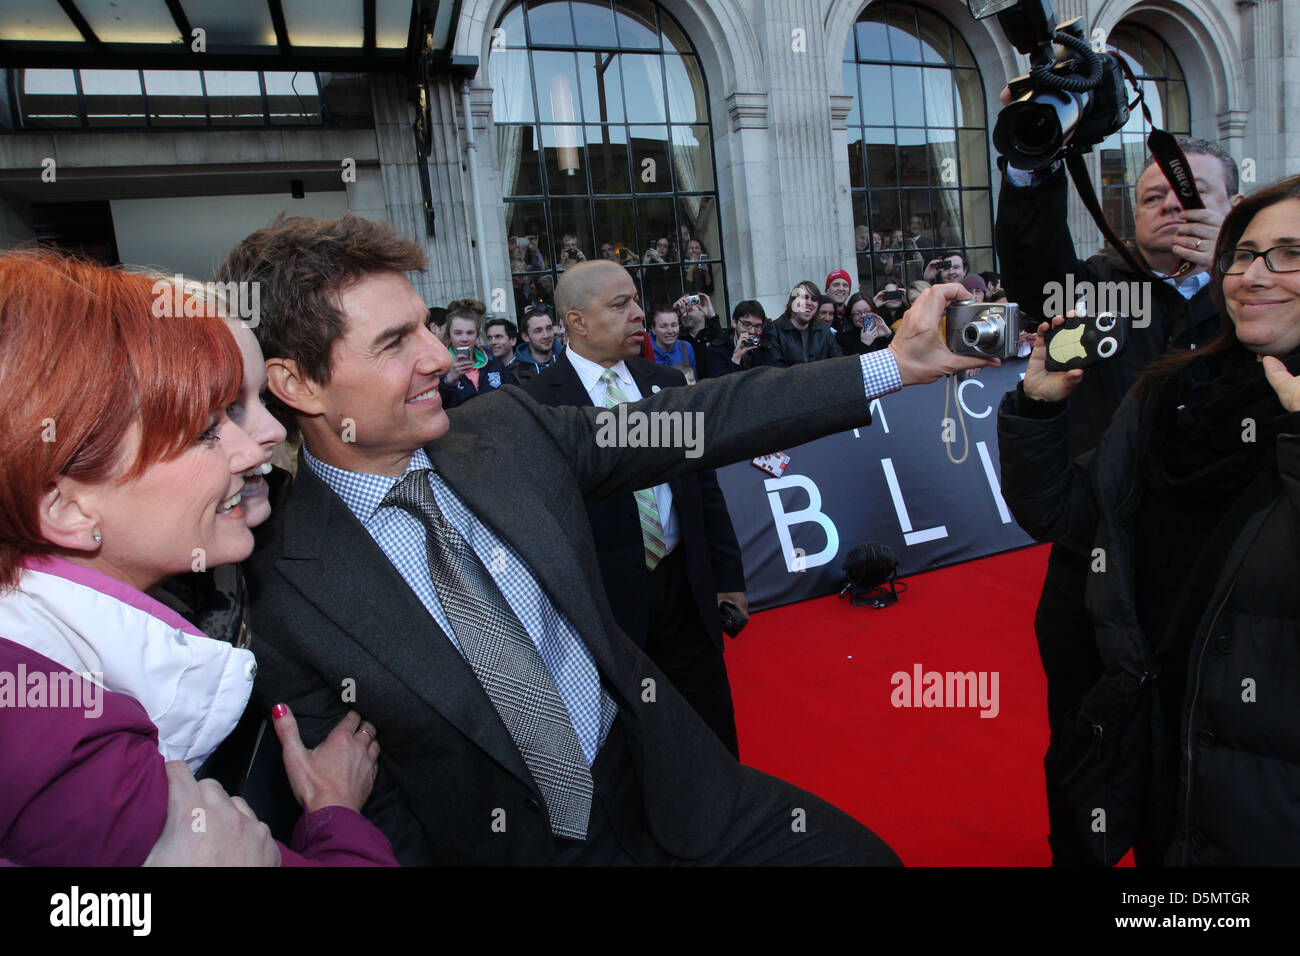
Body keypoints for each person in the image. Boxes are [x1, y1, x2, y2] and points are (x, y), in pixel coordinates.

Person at [218, 212, 993, 866]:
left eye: (426, 325)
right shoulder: (283, 588)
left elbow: (703, 420)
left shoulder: (506, 430)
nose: (439, 356)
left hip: (671, 781)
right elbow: (377, 815)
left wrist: (891, 365)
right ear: (297, 385)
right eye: (395, 343)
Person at [0, 250, 395, 867]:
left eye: (256, 400)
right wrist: (336, 814)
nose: (268, 433)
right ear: (70, 510)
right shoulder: (55, 733)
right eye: (211, 424)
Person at [997, 174, 1300, 865]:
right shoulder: (1169, 385)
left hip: (1260, 740)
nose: (1256, 273)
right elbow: (1066, 508)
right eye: (1247, 253)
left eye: (1287, 254)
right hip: (1146, 682)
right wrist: (1038, 409)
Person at [525, 289, 748, 757]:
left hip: (685, 587)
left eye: (637, 302)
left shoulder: (665, 380)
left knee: (711, 736)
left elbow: (703, 486)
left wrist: (727, 577)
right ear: (577, 321)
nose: (638, 314)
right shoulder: (538, 403)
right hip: (604, 608)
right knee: (636, 748)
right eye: (618, 304)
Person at [440, 305, 517, 407]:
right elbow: (434, 409)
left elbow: (514, 395)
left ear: (477, 335)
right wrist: (448, 381)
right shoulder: (439, 366)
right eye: (457, 333)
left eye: (470, 333)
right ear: (449, 335)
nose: (464, 339)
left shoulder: (493, 360)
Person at [765, 280, 842, 366]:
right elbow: (775, 371)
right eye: (804, 297)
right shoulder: (774, 330)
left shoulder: (824, 331)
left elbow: (838, 364)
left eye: (814, 299)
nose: (809, 303)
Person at [707, 300, 772, 376]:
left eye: (758, 326)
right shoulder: (717, 350)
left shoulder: (764, 346)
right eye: (747, 324)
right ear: (734, 323)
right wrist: (736, 358)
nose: (752, 331)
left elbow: (771, 379)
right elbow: (722, 385)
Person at [512, 303, 565, 384]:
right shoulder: (515, 373)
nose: (546, 335)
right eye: (538, 331)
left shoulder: (569, 358)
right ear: (525, 337)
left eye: (549, 328)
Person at [648, 302, 696, 373]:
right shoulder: (646, 350)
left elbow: (694, 380)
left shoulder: (685, 348)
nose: (670, 331)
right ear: (653, 329)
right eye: (663, 326)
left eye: (674, 325)